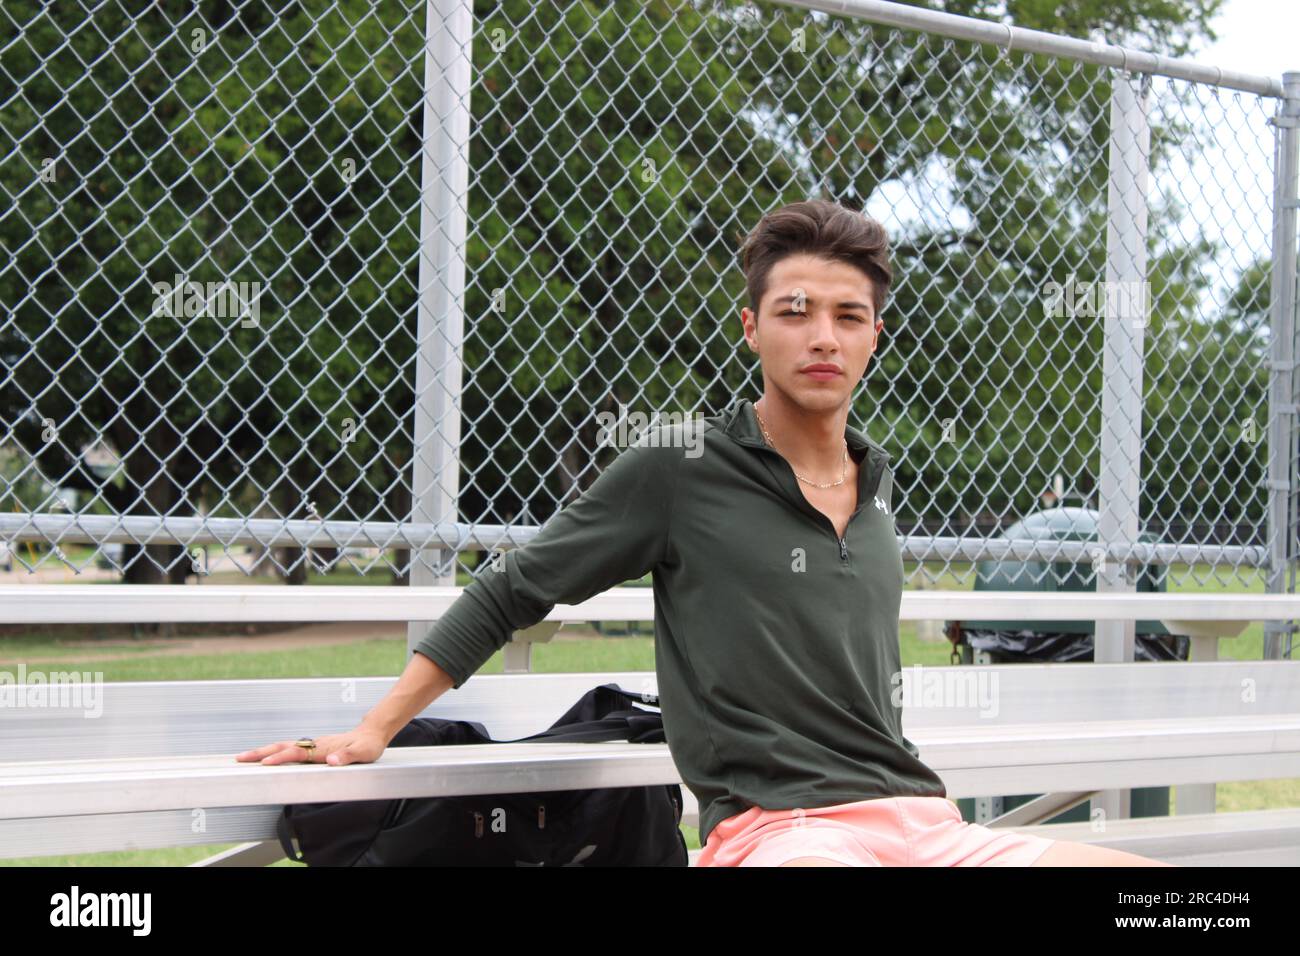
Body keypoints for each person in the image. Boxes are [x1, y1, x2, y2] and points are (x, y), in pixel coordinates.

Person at [237, 199, 1172, 867]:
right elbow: (511, 590)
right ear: (752, 328)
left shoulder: (877, 481)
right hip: (781, 836)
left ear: (874, 337)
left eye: (848, 317)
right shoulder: (678, 470)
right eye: (795, 312)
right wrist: (372, 732)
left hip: (925, 823)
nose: (823, 337)